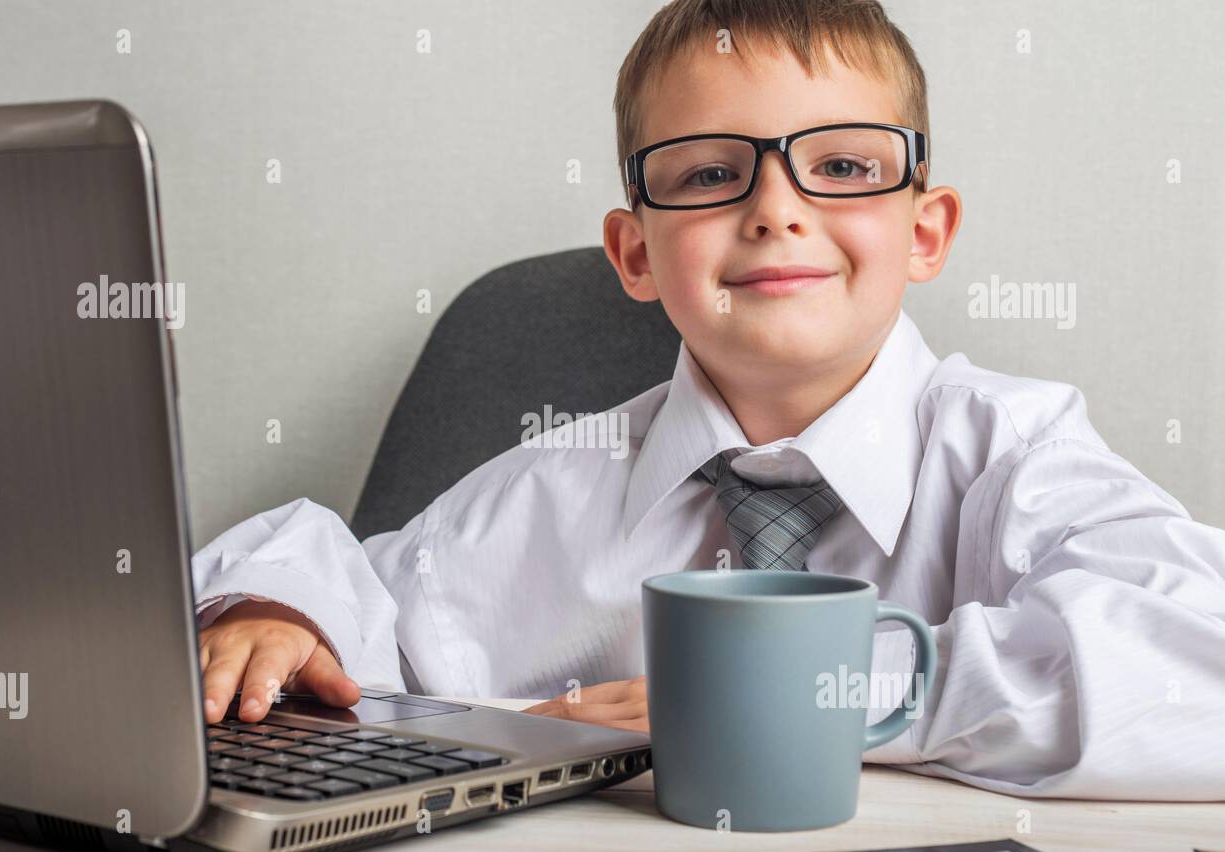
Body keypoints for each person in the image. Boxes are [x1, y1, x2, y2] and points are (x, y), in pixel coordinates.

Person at [191, 0, 1225, 799]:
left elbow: (1193, 661)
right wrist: (279, 612)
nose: (777, 210)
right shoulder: (561, 478)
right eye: (707, 175)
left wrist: (787, 697)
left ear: (924, 232)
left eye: (845, 165)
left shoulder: (1016, 450)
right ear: (636, 254)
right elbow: (354, 596)